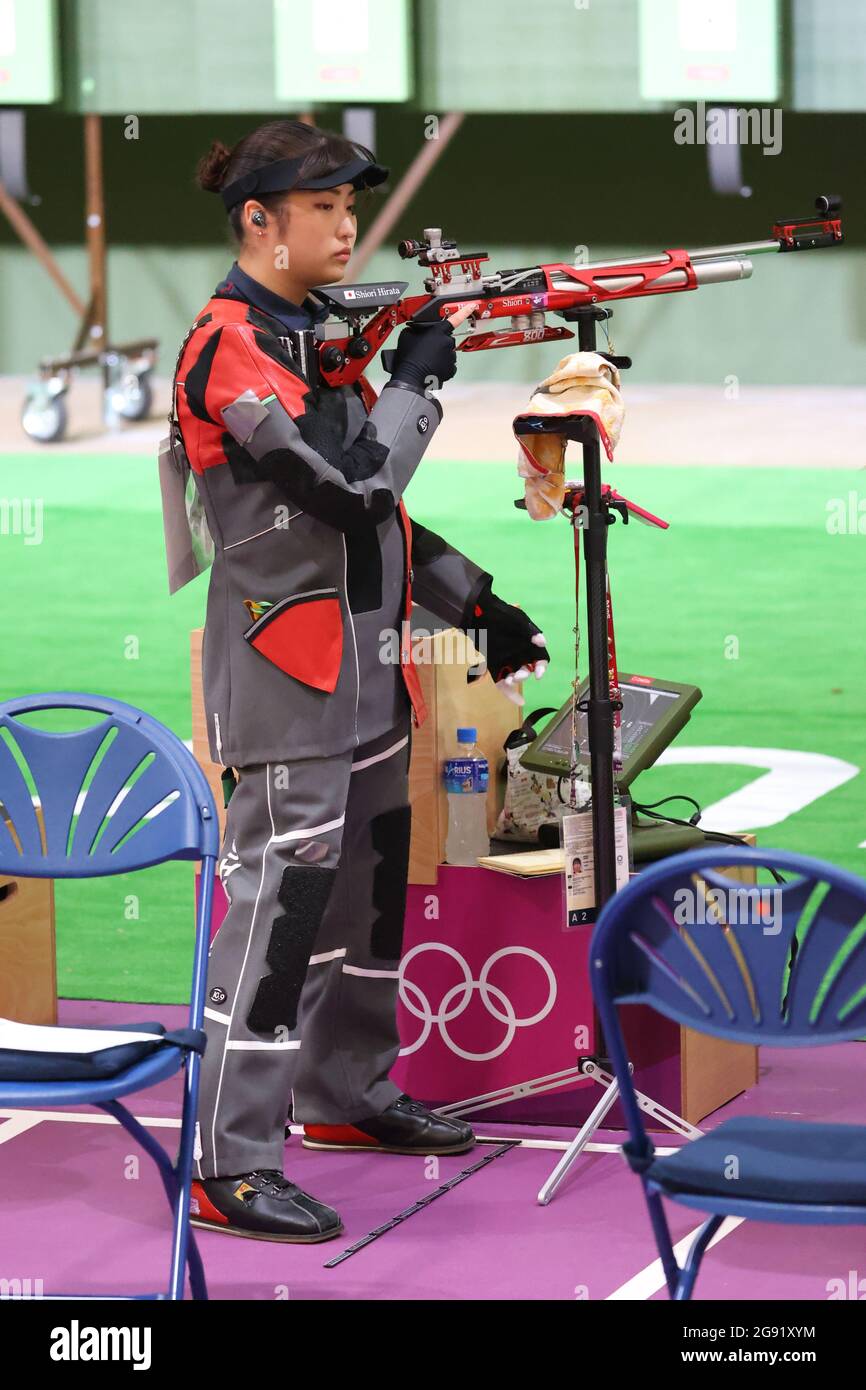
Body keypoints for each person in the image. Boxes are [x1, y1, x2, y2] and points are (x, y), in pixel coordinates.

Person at [174, 119, 549, 1242]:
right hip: (287, 684)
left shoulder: (306, 341)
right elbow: (347, 487)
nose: (348, 226)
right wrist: (417, 389)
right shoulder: (226, 348)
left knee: (366, 905)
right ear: (258, 220)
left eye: (352, 207)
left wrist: (471, 598)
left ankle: (343, 1096)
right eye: (325, 207)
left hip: (373, 680)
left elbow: (382, 522)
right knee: (278, 924)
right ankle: (231, 1161)